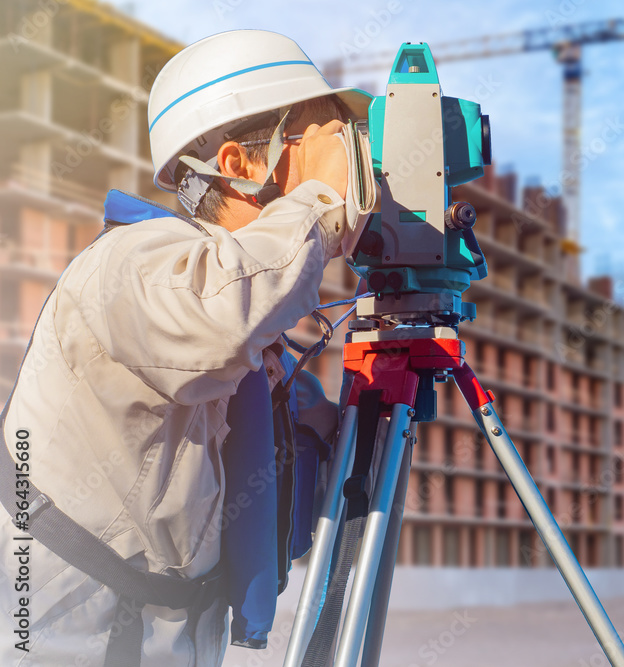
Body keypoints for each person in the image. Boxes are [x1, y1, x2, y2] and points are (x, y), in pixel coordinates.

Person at [0, 29, 374, 666]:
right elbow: (221, 314)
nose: (347, 164)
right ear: (239, 164)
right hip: (69, 642)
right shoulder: (132, 262)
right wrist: (320, 204)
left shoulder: (258, 342)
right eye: (325, 143)